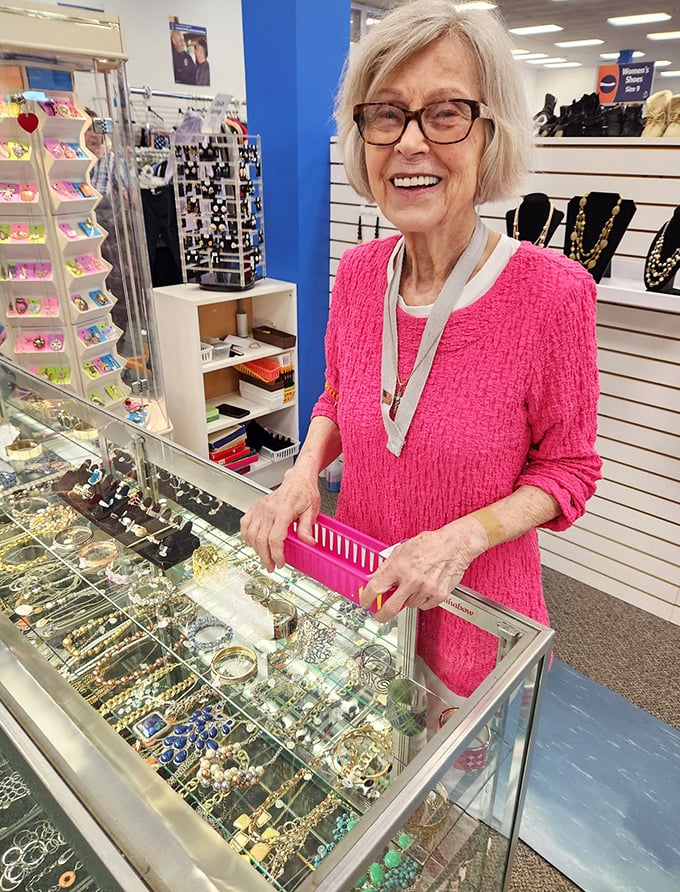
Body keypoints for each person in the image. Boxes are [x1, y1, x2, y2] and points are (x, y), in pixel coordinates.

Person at [240, 0, 601, 702]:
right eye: (387, 113)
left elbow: (569, 470)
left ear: (488, 134)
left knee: (458, 807)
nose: (410, 143)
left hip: (477, 625)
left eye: (444, 113)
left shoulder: (553, 295)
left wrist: (458, 540)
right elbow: (339, 397)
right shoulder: (357, 274)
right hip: (362, 602)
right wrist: (304, 472)